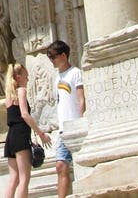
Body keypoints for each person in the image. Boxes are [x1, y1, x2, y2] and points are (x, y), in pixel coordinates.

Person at [4, 63, 52, 198]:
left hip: (11, 137)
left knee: (13, 179)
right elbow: (24, 115)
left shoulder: (8, 96)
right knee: (24, 178)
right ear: (18, 77)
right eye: (26, 76)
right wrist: (41, 134)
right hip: (20, 135)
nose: (28, 79)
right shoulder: (21, 91)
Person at [46, 40, 85, 198]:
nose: (52, 60)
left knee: (81, 164)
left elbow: (81, 99)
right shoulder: (57, 78)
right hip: (63, 128)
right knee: (60, 165)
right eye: (50, 57)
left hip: (75, 125)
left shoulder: (76, 73)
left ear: (63, 55)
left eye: (53, 56)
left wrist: (81, 120)